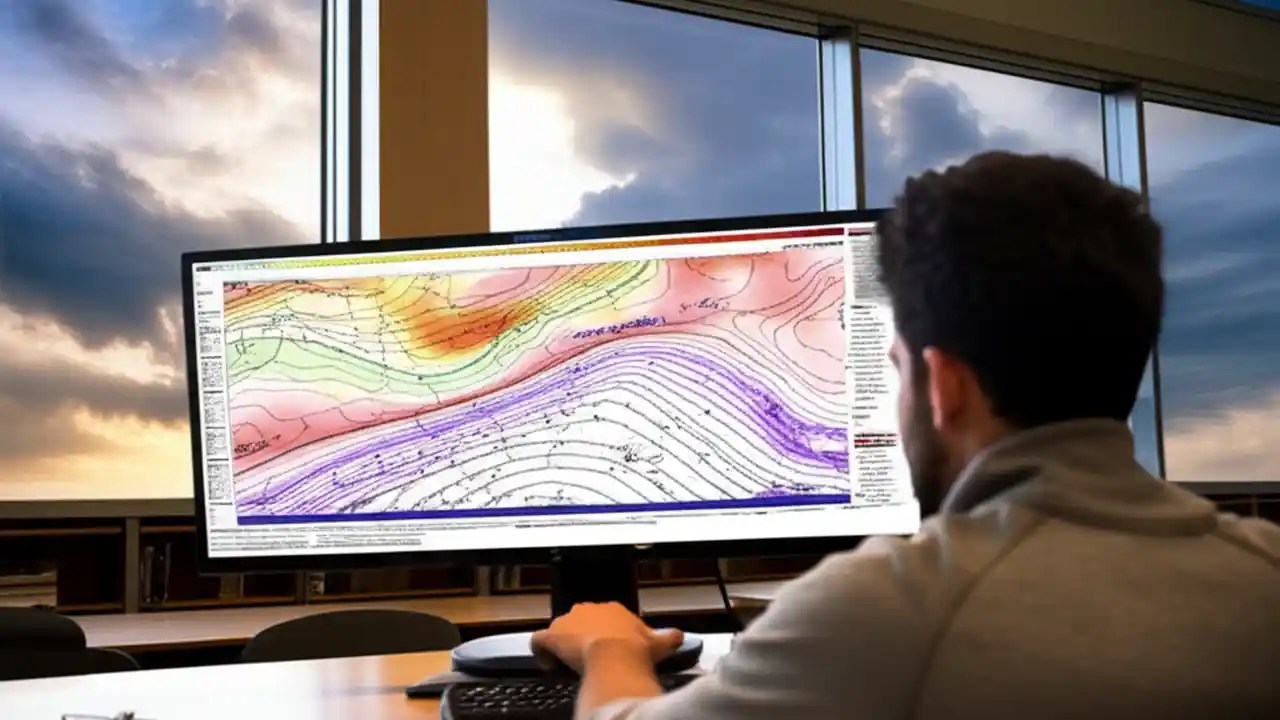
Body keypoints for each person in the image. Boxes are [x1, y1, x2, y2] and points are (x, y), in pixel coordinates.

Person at [532, 152, 1280, 719]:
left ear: (945, 385)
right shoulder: (1265, 571)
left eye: (895, 371)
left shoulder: (888, 609)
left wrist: (609, 647)